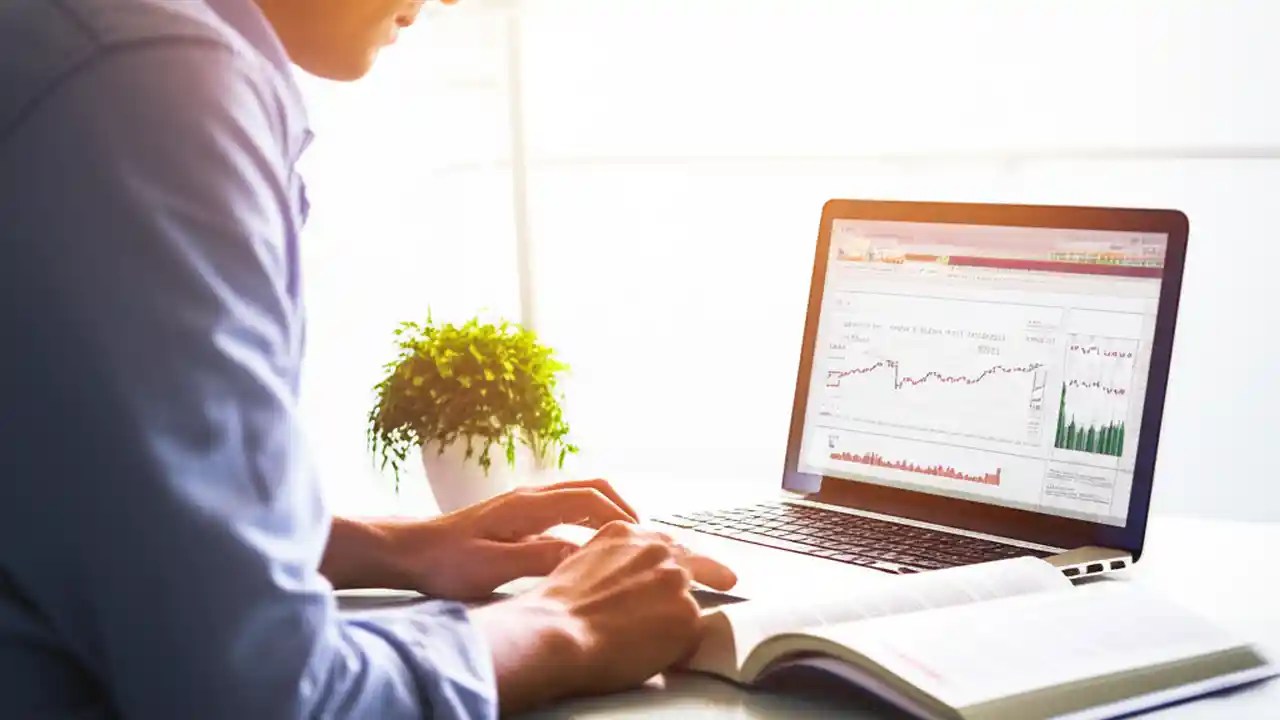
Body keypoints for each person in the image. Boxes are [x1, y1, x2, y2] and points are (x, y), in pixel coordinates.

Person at [0, 0, 737, 717]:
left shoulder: (89, 44)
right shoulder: (142, 78)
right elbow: (265, 697)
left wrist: (392, 546)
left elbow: (74, 505)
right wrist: (565, 622)